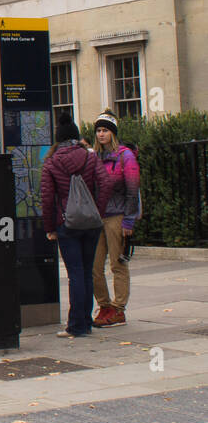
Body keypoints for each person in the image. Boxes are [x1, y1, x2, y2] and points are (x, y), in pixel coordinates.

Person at [40, 116, 114, 338]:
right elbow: (106, 183)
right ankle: (86, 321)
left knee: (75, 274)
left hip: (66, 223)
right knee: (87, 273)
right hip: (91, 223)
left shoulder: (51, 162)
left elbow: (46, 198)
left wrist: (50, 227)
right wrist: (97, 211)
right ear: (75, 136)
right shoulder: (90, 158)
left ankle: (76, 326)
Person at [92, 111, 140, 329]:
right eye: (98, 131)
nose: (101, 135)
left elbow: (132, 189)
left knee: (117, 264)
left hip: (117, 215)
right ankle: (104, 306)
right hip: (97, 217)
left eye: (105, 131)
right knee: (94, 266)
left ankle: (118, 308)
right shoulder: (94, 157)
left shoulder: (125, 156)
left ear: (113, 133)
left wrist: (129, 220)